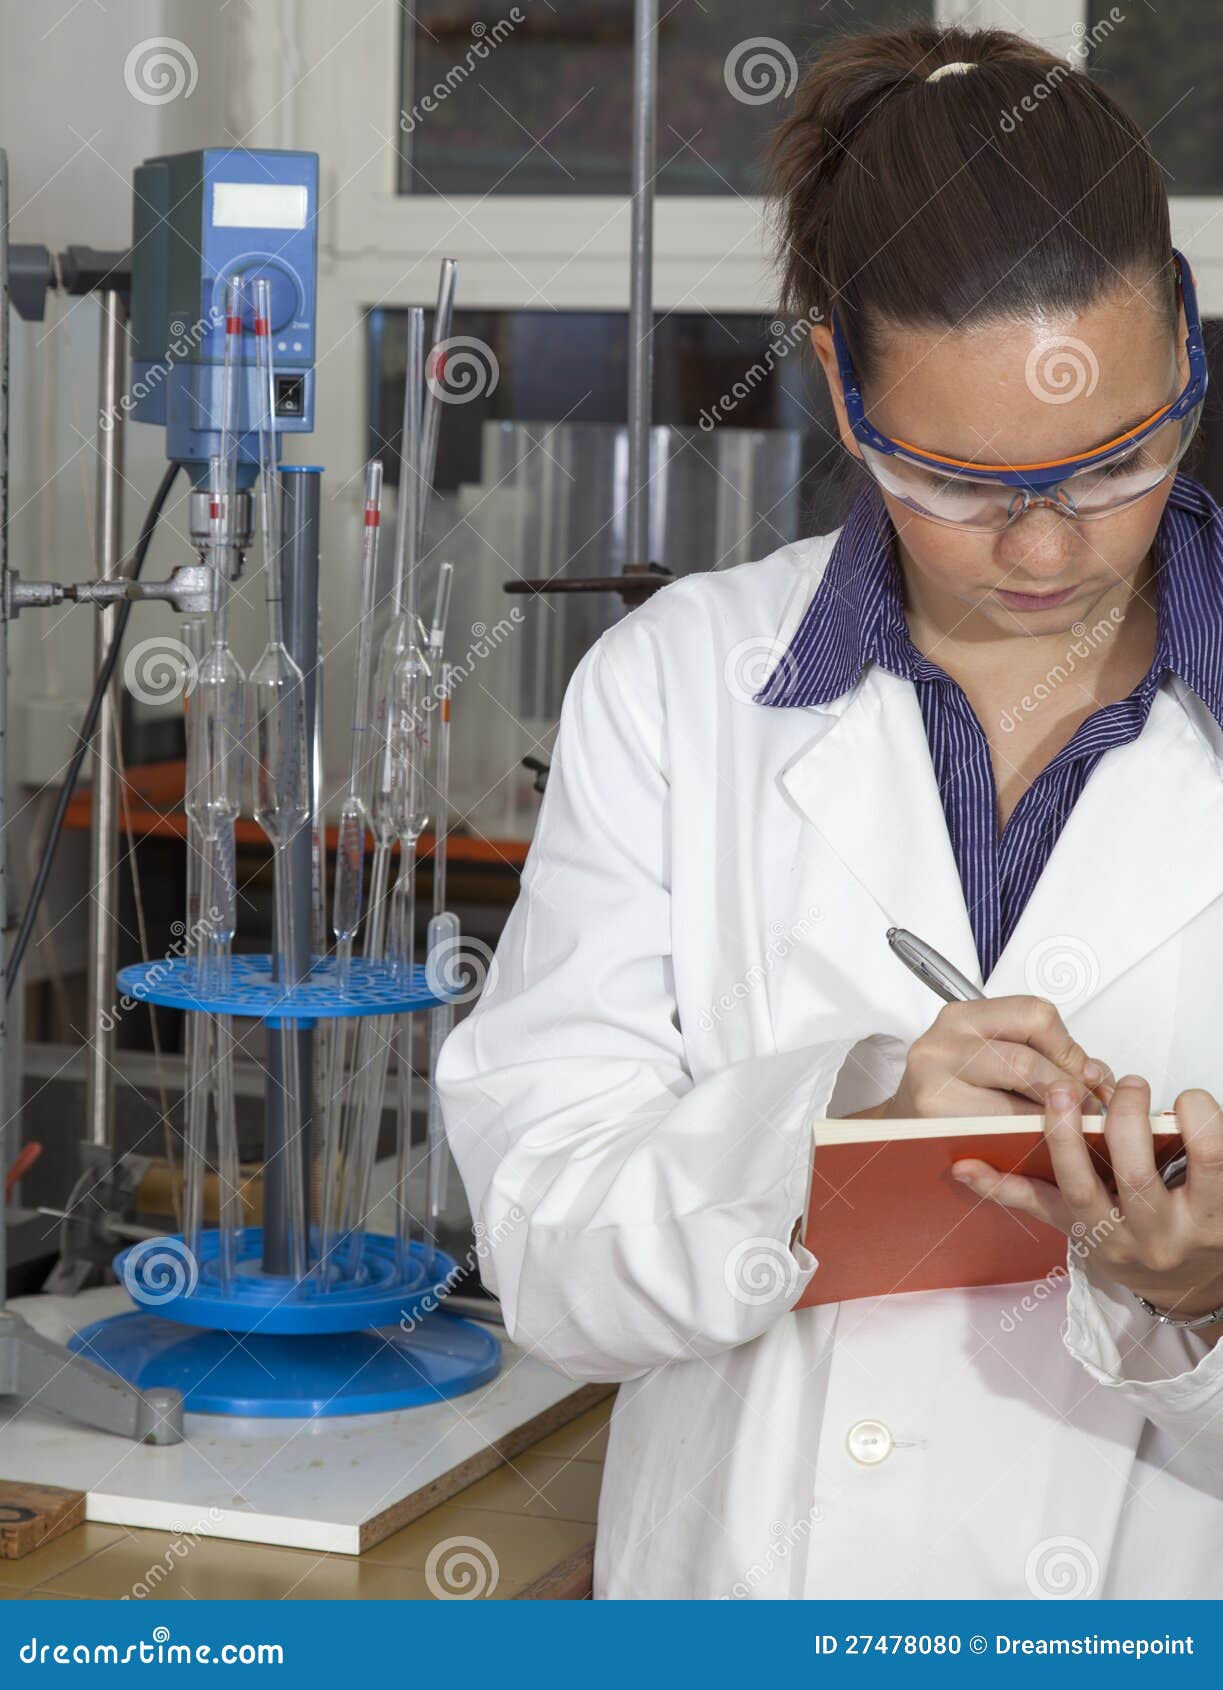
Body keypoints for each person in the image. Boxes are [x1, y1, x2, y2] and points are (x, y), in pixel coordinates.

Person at [436, 22, 1223, 1599]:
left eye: (1117, 460)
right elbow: (543, 1243)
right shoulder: (678, 691)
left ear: (1189, 346)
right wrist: (842, 1124)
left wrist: (1201, 1299)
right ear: (839, 390)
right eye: (959, 482)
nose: (1049, 548)